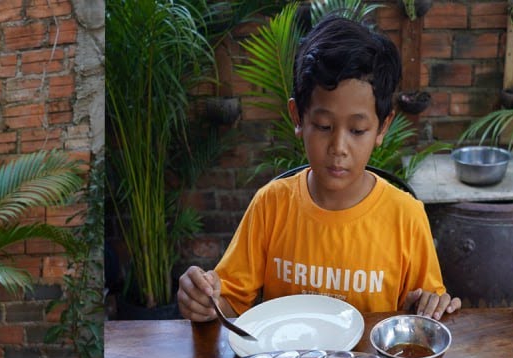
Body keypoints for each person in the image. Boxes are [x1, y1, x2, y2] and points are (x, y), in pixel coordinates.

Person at [177, 15, 461, 322]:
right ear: (298, 117)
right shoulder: (271, 205)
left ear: (382, 127)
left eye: (357, 130)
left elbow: (426, 310)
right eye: (324, 126)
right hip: (287, 354)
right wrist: (205, 302)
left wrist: (428, 306)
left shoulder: (405, 217)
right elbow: (229, 304)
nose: (338, 147)